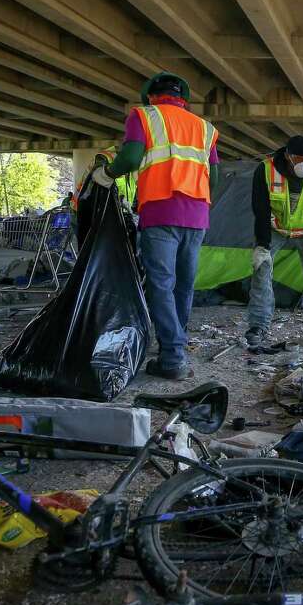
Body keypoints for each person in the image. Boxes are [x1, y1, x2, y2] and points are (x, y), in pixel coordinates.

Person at [96, 72, 219, 380]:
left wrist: (108, 173)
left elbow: (132, 156)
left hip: (162, 209)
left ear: (151, 96)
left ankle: (173, 356)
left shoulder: (143, 115)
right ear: (183, 98)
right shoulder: (205, 128)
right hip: (197, 213)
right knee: (184, 284)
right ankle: (176, 340)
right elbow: (214, 176)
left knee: (161, 283)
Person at [245, 134, 303, 347]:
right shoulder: (266, 170)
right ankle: (258, 326)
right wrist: (262, 246)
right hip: (275, 229)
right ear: (287, 156)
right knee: (261, 270)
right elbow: (260, 210)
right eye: (299, 159)